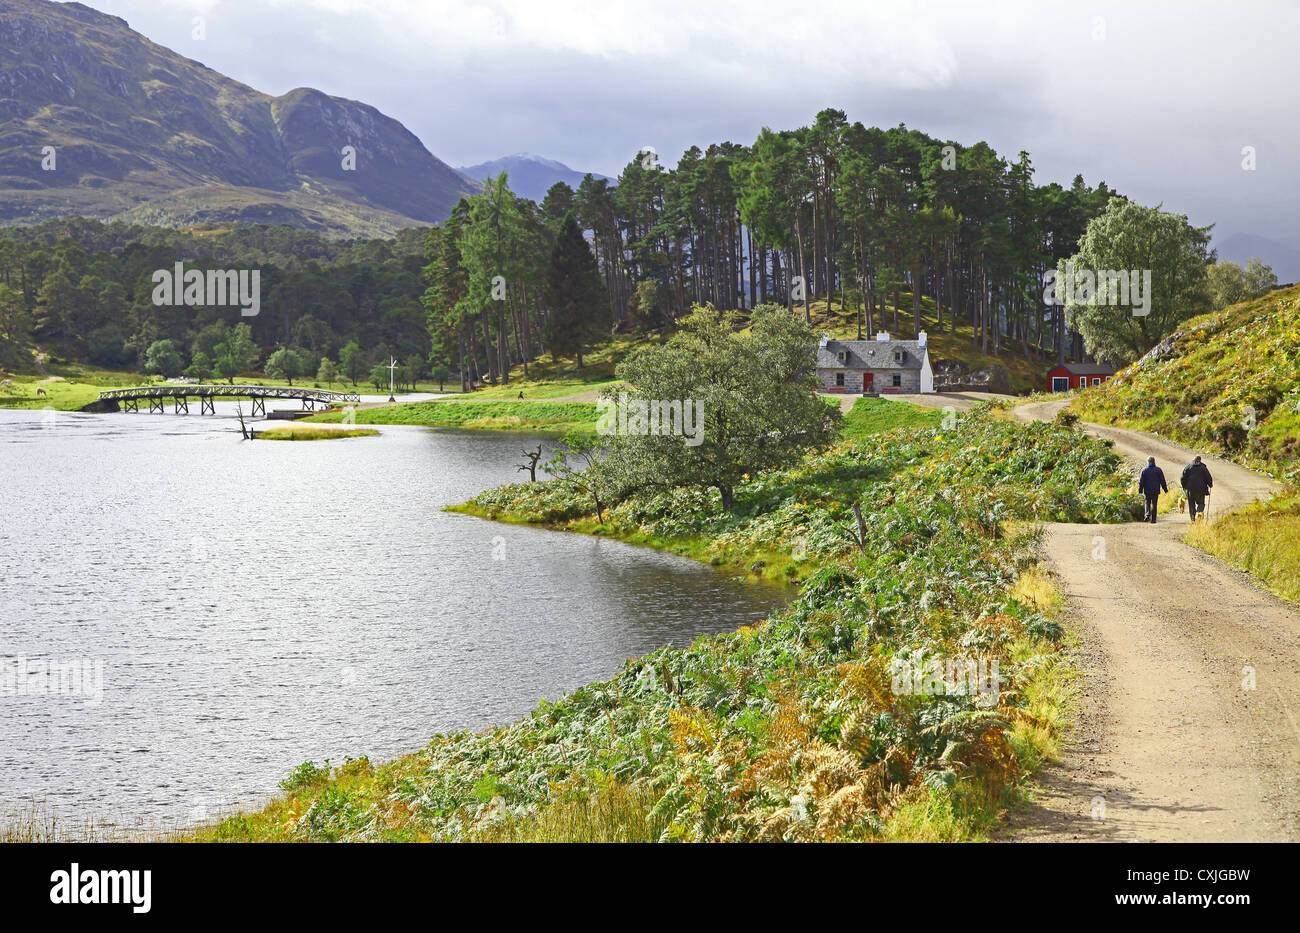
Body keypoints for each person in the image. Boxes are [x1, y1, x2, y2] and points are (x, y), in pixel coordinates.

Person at [1181, 455, 1214, 522]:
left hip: (1190, 490)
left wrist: (1184, 487)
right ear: (1200, 460)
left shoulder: (1188, 467)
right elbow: (1208, 477)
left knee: (1191, 505)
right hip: (1200, 490)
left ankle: (1193, 520)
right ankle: (1199, 515)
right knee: (1201, 503)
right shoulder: (1203, 468)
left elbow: (1182, 478)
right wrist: (1210, 484)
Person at [1138, 456, 1167, 524]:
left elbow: (1141, 481)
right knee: (1154, 504)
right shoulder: (1158, 470)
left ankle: (1147, 515)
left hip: (1147, 490)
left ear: (1148, 462)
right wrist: (1165, 489)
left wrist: (1140, 490)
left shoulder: (1144, 470)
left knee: (1147, 503)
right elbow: (1162, 480)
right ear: (1154, 461)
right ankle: (1153, 519)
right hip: (1155, 490)